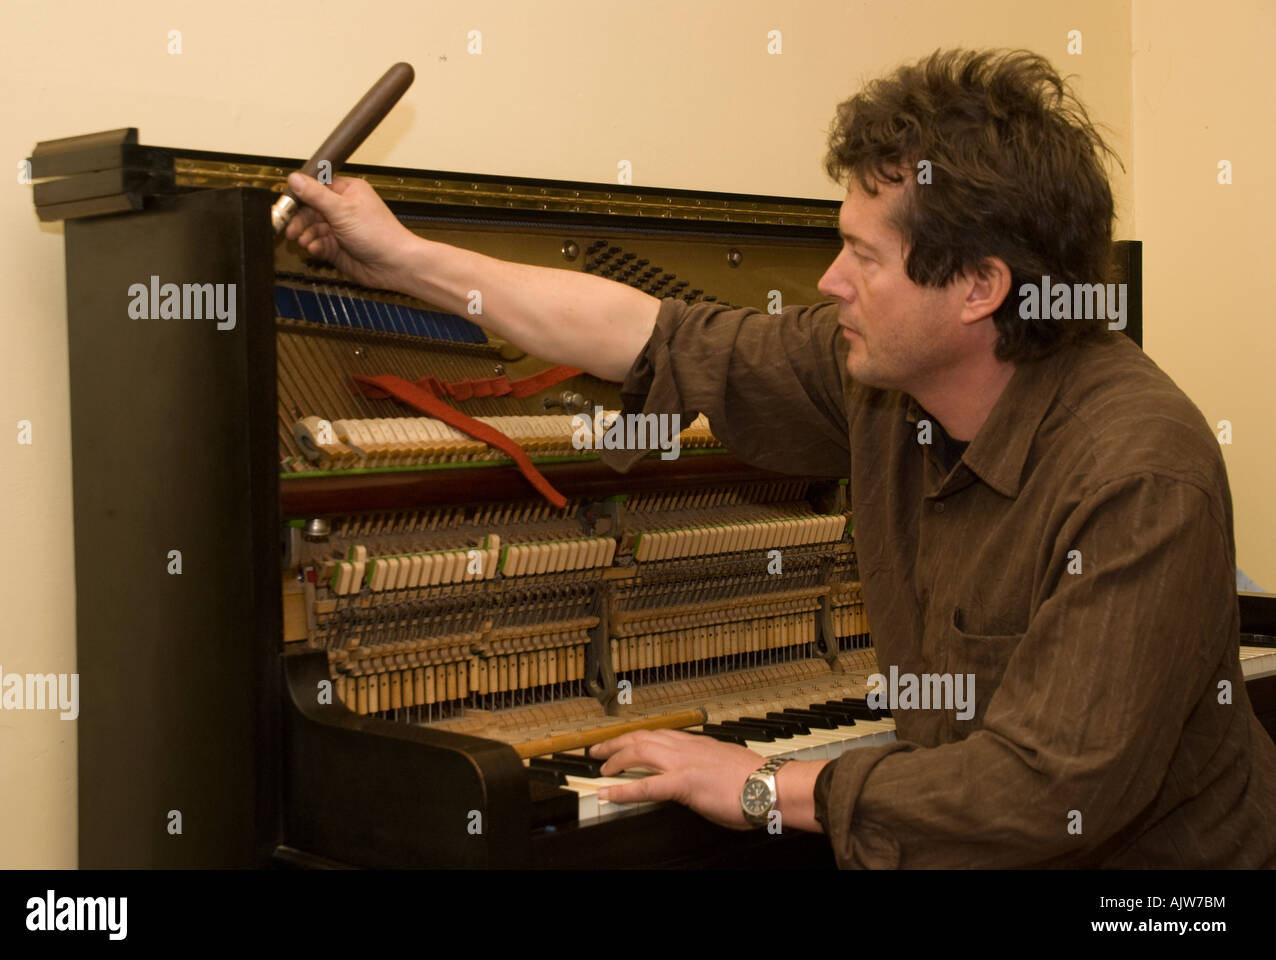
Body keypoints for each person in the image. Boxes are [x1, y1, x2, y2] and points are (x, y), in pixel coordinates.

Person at [282, 48, 1276, 867]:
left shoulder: (1137, 473)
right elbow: (649, 337)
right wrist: (398, 258)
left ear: (977, 287)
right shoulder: (883, 378)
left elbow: (1042, 789)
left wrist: (760, 783)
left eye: (863, 256)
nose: (828, 280)